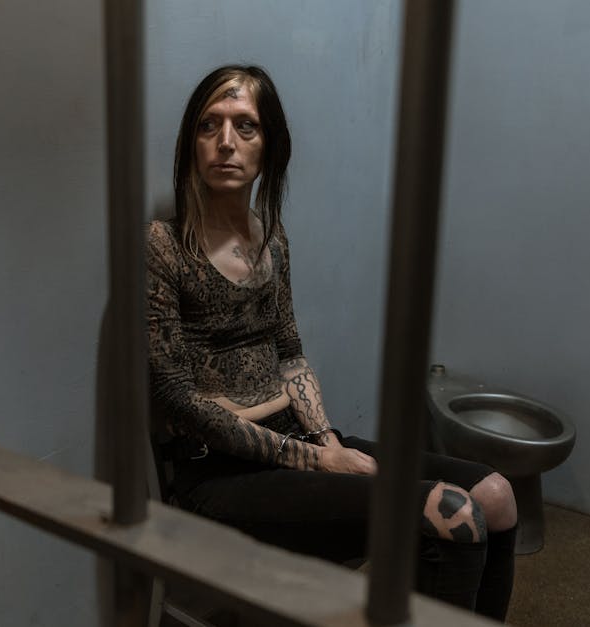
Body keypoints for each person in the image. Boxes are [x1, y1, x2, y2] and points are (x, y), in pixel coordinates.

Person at [145, 65, 518, 619]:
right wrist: (318, 460)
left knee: (495, 495)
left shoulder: (270, 240)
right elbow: (177, 399)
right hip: (218, 477)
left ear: (270, 148)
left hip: (302, 443)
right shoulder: (164, 245)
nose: (226, 142)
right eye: (209, 125)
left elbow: (290, 353)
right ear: (191, 144)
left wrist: (326, 442)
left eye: (245, 126)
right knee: (451, 512)